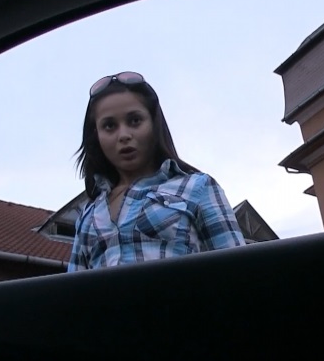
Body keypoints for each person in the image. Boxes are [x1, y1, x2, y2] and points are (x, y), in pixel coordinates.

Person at [68, 71, 245, 271]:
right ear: (96, 135)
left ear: (154, 123)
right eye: (109, 126)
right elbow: (73, 287)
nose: (124, 135)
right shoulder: (88, 215)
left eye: (135, 121)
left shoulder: (198, 187)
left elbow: (238, 270)